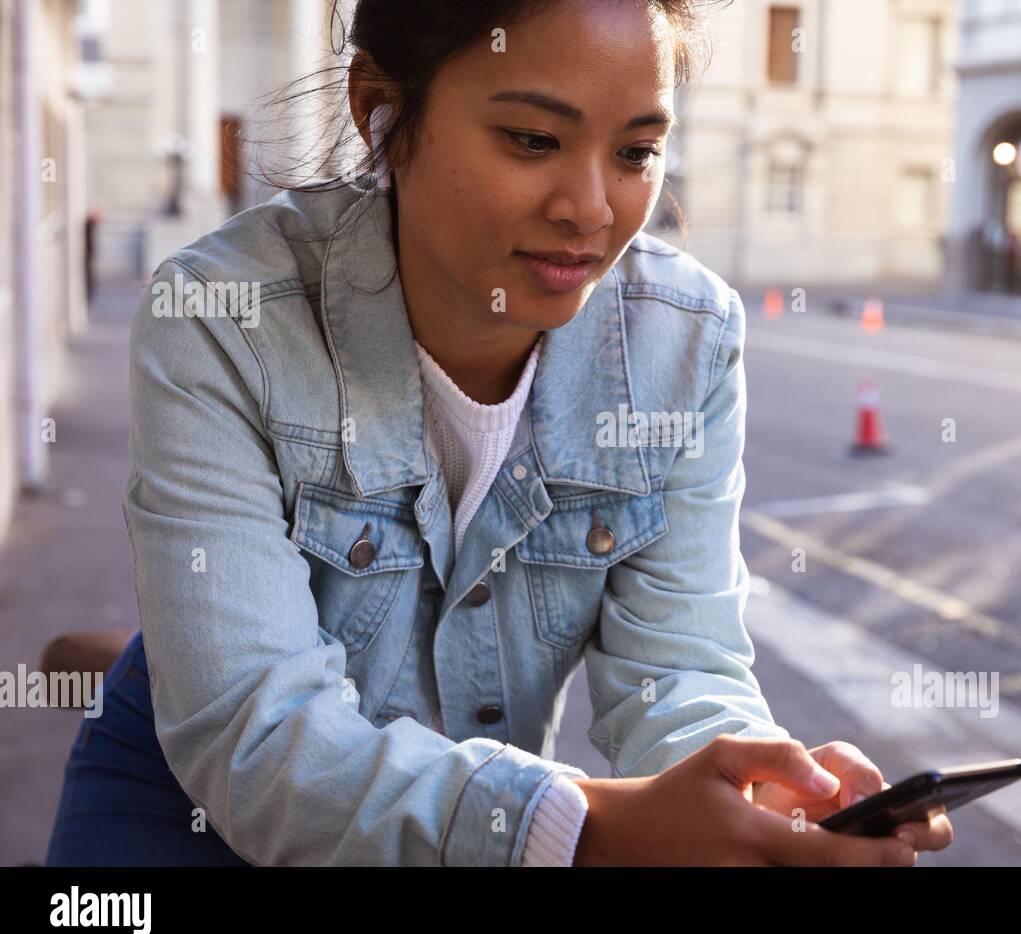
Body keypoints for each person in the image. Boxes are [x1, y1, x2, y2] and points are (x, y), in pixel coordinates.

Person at [46, 0, 953, 866]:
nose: (592, 209)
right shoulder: (222, 317)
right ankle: (155, 662)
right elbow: (255, 738)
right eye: (533, 139)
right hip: (199, 803)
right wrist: (587, 827)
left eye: (637, 150)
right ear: (380, 109)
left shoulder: (687, 340)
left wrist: (760, 790)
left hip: (473, 823)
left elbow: (680, 669)